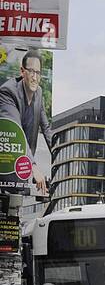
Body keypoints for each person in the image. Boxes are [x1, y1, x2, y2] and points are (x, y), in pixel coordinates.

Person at [0, 48, 52, 194]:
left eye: (38, 72)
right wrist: (34, 166)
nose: (35, 77)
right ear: (22, 71)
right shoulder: (7, 92)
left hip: (23, 166)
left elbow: (46, 128)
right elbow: (15, 132)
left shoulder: (39, 92)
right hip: (6, 165)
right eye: (31, 71)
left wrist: (59, 157)